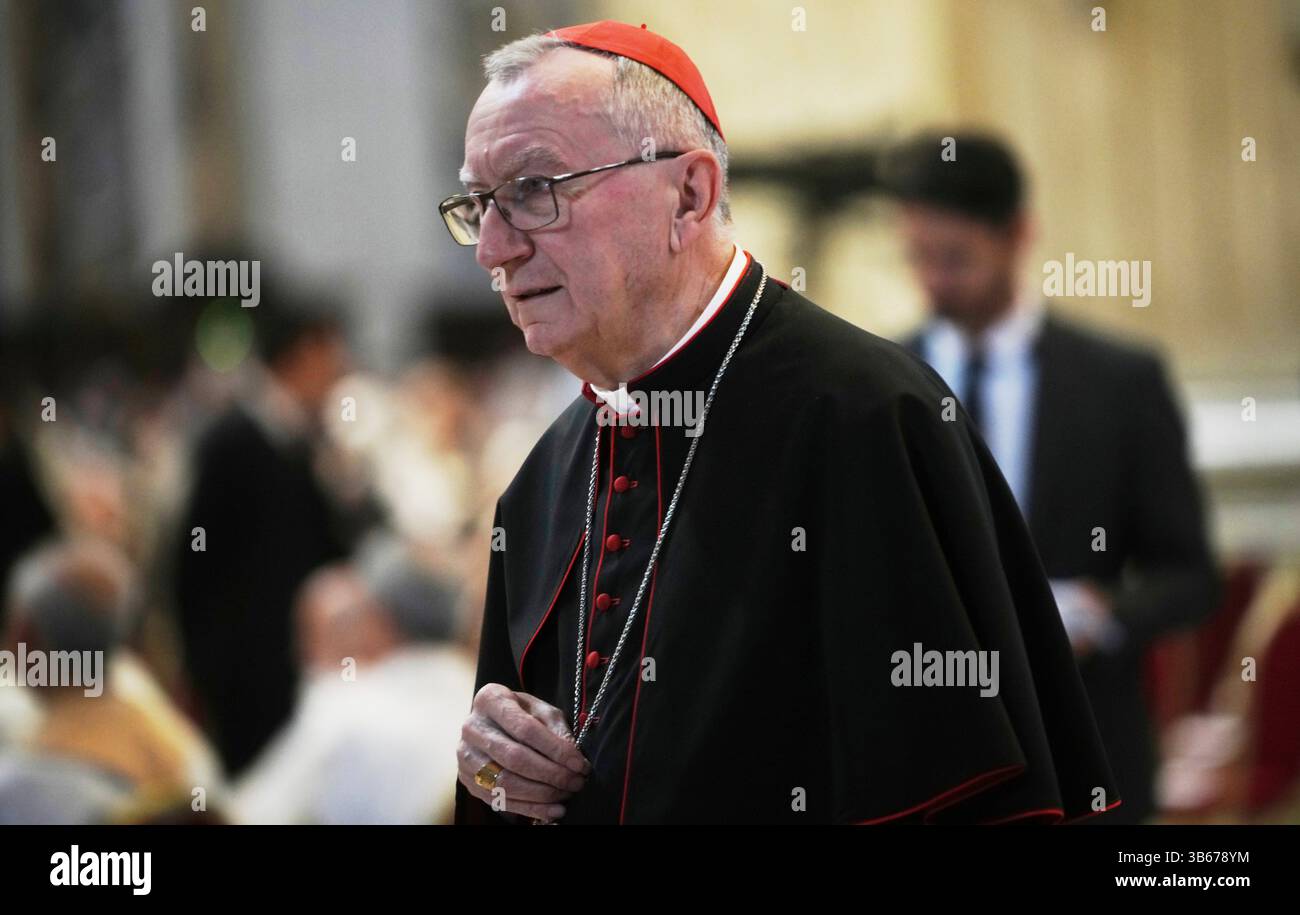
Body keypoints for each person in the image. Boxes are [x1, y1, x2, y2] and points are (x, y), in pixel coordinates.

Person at [448, 21, 1119, 824]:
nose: (492, 248)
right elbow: (523, 780)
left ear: (688, 195)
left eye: (532, 189)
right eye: (478, 203)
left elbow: (956, 790)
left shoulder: (867, 418)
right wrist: (495, 767)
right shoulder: (544, 478)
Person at [883, 131, 1221, 823]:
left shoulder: (1120, 381)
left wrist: (1104, 615)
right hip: (934, 758)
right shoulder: (879, 382)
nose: (935, 280)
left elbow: (1190, 573)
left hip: (1092, 749)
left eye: (956, 258)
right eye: (919, 257)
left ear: (1018, 235)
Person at [172, 296, 354, 776]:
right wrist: (209, 675)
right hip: (248, 679)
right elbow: (191, 566)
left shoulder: (300, 438)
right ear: (302, 356)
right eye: (331, 355)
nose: (340, 372)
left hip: (296, 666)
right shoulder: (232, 442)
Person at [233, 541, 475, 824]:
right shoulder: (474, 683)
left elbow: (252, 813)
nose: (305, 657)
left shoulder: (342, 702)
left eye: (324, 634)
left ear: (378, 623)